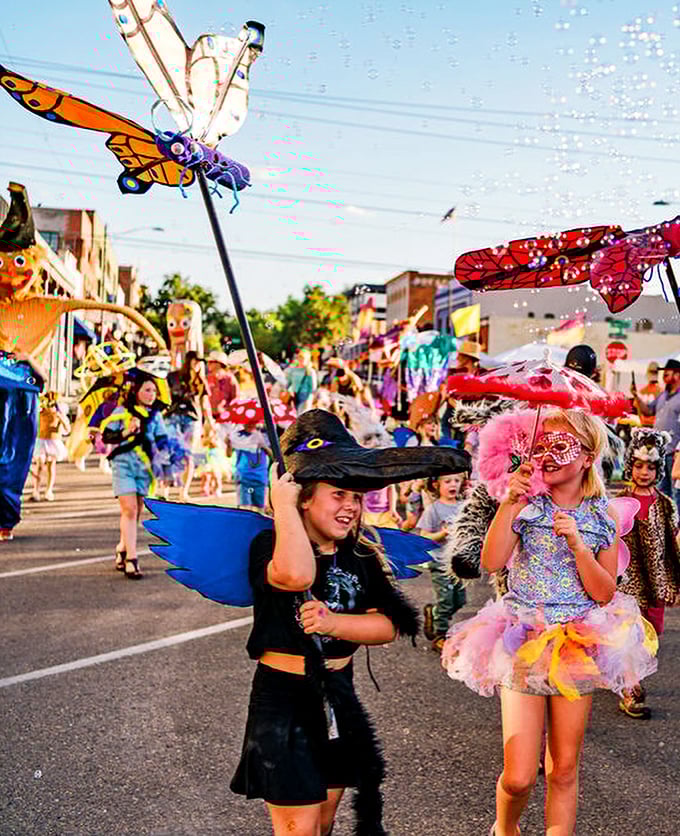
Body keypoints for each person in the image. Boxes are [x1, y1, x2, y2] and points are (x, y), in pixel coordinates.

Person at [229, 408, 468, 836]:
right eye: (338, 494)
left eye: (356, 498)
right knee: (299, 829)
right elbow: (296, 576)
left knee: (323, 822)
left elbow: (390, 625)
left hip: (338, 696)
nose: (350, 507)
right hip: (283, 701)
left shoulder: (360, 553)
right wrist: (283, 508)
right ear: (304, 497)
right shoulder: (270, 544)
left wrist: (333, 623)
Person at [441, 407, 658, 836]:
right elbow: (492, 561)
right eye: (540, 446)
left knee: (563, 768)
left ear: (588, 457)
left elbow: (603, 592)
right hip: (523, 639)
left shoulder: (602, 517)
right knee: (519, 776)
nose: (547, 455)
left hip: (577, 644)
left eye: (561, 446)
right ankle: (506, 828)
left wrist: (579, 547)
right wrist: (509, 502)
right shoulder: (526, 505)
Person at [617, 428, 680, 719]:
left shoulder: (666, 505)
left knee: (648, 639)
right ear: (629, 466)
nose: (644, 473)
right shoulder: (618, 502)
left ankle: (630, 676)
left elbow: (673, 544)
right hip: (625, 585)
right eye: (639, 465)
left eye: (651, 467)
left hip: (655, 583)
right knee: (626, 635)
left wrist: (675, 582)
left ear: (659, 470)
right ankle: (630, 688)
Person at [101, 373, 169, 579]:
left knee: (137, 511)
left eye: (154, 391)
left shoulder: (155, 415)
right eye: (147, 390)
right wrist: (127, 431)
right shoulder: (122, 411)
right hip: (123, 466)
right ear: (136, 391)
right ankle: (132, 559)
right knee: (129, 509)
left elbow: (162, 440)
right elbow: (107, 436)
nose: (151, 394)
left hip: (145, 469)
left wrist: (165, 460)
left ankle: (122, 547)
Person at [417, 472, 468, 652]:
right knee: (446, 600)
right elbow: (424, 536)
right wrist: (442, 534)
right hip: (439, 561)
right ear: (437, 485)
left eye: (456, 481)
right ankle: (440, 635)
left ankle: (434, 612)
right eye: (447, 481)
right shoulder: (434, 509)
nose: (453, 484)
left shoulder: (464, 507)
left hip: (458, 563)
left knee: (459, 601)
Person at [0, 347, 46, 541]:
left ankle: (6, 524)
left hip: (19, 425)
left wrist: (28, 358)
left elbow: (42, 380)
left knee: (11, 475)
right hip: (9, 420)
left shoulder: (23, 366)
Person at [166, 351, 215, 501]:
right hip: (172, 417)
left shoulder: (200, 381)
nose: (198, 364)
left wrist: (210, 422)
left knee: (188, 455)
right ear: (189, 361)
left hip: (192, 419)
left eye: (200, 362)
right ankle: (166, 490)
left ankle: (183, 492)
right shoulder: (173, 376)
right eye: (195, 361)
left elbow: (205, 404)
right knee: (170, 453)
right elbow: (165, 397)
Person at [632, 358, 680, 509]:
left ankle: (676, 521)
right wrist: (636, 396)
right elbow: (648, 411)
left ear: (677, 374)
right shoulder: (663, 394)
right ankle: (664, 518)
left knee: (676, 492)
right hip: (660, 451)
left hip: (675, 452)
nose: (664, 375)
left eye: (667, 372)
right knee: (660, 490)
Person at [31, 390, 70, 502]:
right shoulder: (40, 412)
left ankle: (49, 490)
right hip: (41, 441)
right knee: (39, 465)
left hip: (53, 442)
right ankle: (36, 490)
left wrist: (61, 418)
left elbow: (67, 429)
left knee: (51, 467)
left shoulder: (59, 413)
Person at [226, 420, 272, 512]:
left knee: (260, 508)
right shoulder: (238, 436)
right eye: (247, 422)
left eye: (253, 422)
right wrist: (228, 444)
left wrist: (263, 445)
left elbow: (272, 455)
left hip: (260, 478)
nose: (250, 424)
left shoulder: (263, 435)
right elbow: (229, 454)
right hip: (244, 478)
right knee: (245, 508)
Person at [206, 350, 239, 424]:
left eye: (211, 362)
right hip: (209, 419)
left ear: (219, 364)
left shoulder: (229, 378)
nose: (208, 364)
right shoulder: (207, 378)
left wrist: (227, 412)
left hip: (225, 419)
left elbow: (236, 398)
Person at [287, 348, 318, 413]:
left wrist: (308, 400)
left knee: (302, 415)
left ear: (307, 359)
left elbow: (313, 388)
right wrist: (290, 391)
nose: (301, 359)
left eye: (303, 358)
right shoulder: (293, 370)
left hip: (305, 397)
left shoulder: (310, 371)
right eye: (300, 357)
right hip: (294, 396)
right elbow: (289, 383)